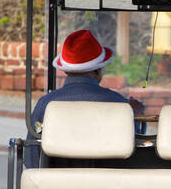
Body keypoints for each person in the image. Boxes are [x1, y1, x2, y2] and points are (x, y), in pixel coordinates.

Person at [25, 28, 144, 168]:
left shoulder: (46, 103)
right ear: (97, 70)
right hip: (106, 180)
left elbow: (31, 159)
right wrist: (135, 115)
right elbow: (134, 150)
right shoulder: (119, 104)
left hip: (57, 180)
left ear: (65, 70)